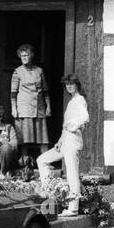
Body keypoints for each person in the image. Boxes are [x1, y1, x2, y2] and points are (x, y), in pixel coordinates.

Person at [38, 73, 90, 216]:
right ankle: (51, 195)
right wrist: (60, 140)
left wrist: (74, 127)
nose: (69, 87)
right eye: (67, 84)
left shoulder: (79, 100)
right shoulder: (72, 101)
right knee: (42, 160)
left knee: (72, 171)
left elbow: (85, 118)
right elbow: (65, 125)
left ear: (77, 85)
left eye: (71, 84)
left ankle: (73, 207)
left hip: (73, 141)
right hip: (65, 141)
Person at [10, 43, 50, 173]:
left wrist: (48, 106)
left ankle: (45, 163)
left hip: (39, 107)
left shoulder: (39, 71)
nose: (24, 57)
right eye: (22, 56)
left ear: (31, 56)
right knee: (25, 139)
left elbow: (45, 90)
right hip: (24, 107)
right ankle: (25, 166)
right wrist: (14, 109)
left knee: (43, 138)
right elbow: (13, 93)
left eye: (26, 55)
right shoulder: (17, 71)